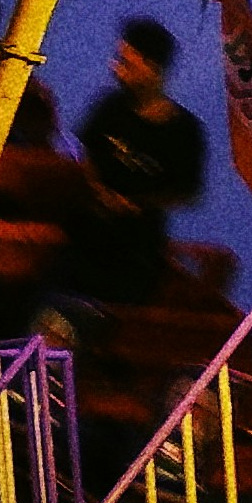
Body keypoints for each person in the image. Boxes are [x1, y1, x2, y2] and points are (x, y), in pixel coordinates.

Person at [75, 16, 206, 298]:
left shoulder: (185, 130)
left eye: (126, 62)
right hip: (86, 227)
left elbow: (188, 192)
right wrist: (97, 188)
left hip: (136, 245)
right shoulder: (109, 106)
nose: (116, 68)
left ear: (152, 68)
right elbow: (86, 149)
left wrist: (135, 204)